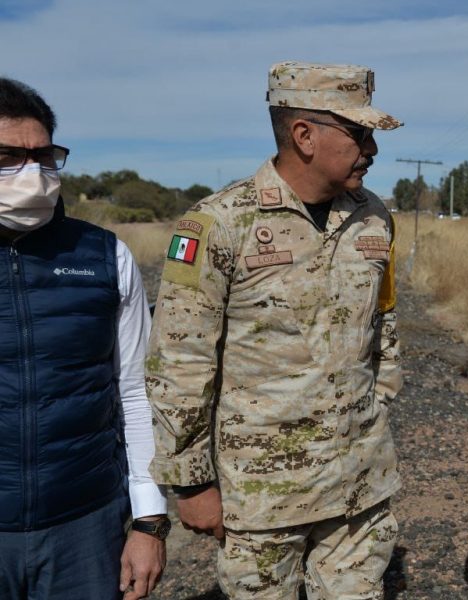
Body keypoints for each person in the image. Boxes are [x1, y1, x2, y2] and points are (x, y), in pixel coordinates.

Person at [147, 62, 402, 599]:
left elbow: (383, 325)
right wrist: (191, 482)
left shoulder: (374, 217)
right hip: (262, 496)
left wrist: (377, 408)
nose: (372, 149)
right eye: (359, 133)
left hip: (359, 486)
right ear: (304, 135)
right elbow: (179, 362)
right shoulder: (220, 223)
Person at [0, 77, 168, 599]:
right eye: (8, 157)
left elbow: (136, 391)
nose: (33, 173)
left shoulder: (104, 256)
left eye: (44, 156)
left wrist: (149, 521)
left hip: (84, 526)